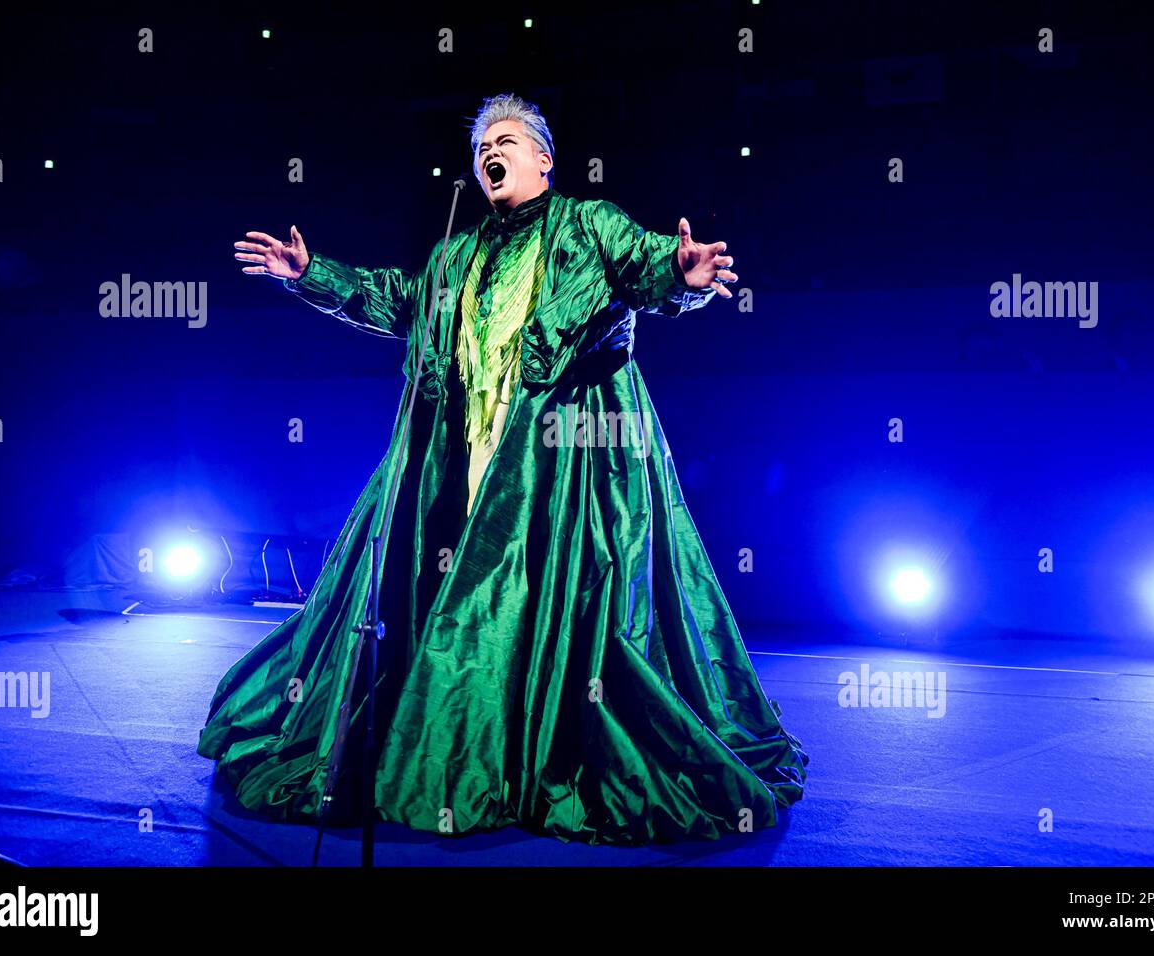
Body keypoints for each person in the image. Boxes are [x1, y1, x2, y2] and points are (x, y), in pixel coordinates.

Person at [200, 93, 808, 845]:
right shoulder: (456, 255)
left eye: (510, 139)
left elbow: (649, 264)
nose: (493, 150)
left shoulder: (589, 224)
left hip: (567, 468)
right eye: (484, 143)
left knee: (552, 614)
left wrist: (683, 275)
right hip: (467, 465)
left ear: (544, 159)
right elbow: (393, 301)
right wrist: (309, 273)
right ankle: (466, 758)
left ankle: (525, 765)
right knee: (463, 601)